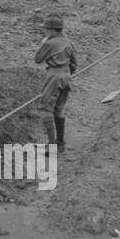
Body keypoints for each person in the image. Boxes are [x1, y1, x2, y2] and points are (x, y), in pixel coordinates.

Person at [34, 15, 77, 151]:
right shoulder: (69, 42)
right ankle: (60, 143)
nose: (44, 31)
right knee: (59, 109)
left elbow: (38, 59)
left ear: (52, 30)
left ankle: (51, 145)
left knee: (45, 108)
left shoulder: (49, 43)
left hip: (54, 77)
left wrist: (44, 43)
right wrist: (67, 74)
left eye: (45, 29)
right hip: (66, 77)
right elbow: (74, 64)